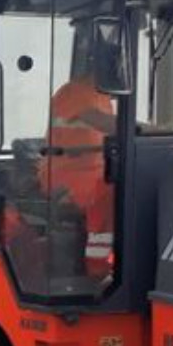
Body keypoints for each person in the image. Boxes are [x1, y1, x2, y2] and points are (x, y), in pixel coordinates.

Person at [36, 57, 117, 281]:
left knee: (124, 185)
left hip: (94, 172)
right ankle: (97, 270)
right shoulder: (73, 93)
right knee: (111, 195)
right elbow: (107, 124)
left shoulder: (102, 97)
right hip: (63, 175)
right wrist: (152, 131)